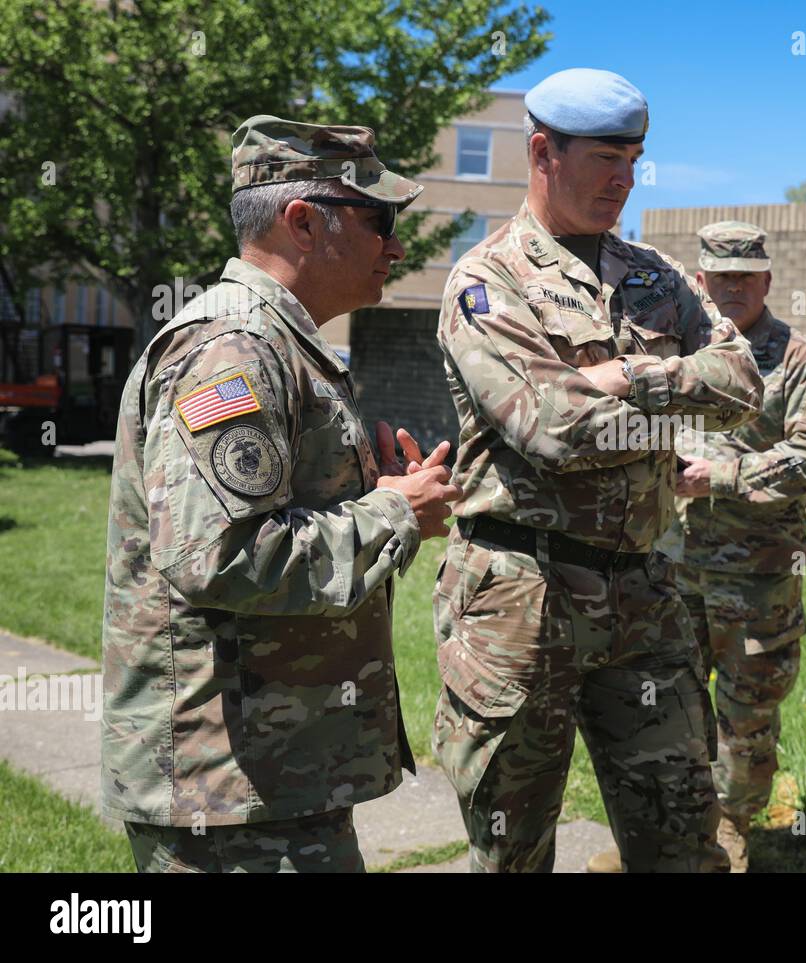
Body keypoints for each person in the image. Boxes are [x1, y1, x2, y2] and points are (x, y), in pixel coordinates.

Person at [101, 115, 461, 873]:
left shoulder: (276, 342)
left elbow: (261, 517)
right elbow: (223, 554)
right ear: (303, 222)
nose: (395, 246)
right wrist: (397, 512)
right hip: (229, 797)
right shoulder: (234, 349)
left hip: (268, 779)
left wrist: (378, 490)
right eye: (378, 220)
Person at [433, 68, 764, 872]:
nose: (626, 177)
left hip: (648, 594)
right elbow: (551, 428)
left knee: (684, 839)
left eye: (636, 158)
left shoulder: (655, 274)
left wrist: (634, 376)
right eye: (607, 157)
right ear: (543, 151)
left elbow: (745, 386)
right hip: (523, 603)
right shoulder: (486, 281)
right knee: (513, 847)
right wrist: (679, 407)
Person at [589, 220, 806, 872]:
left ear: (767, 280)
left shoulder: (798, 358)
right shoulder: (681, 355)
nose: (732, 288)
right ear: (699, 281)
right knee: (668, 708)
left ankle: (732, 830)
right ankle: (666, 834)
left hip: (756, 574)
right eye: (720, 277)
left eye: (746, 277)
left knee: (746, 717)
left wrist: (721, 477)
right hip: (673, 567)